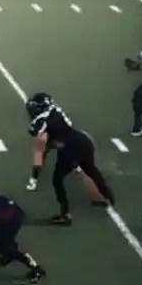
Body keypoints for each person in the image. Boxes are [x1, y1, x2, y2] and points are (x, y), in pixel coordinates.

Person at [24, 92, 116, 225]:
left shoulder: (40, 121)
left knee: (57, 179)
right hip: (83, 142)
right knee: (92, 171)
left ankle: (65, 214)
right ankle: (109, 197)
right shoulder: (55, 109)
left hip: (69, 148)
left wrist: (35, 174)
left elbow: (39, 140)